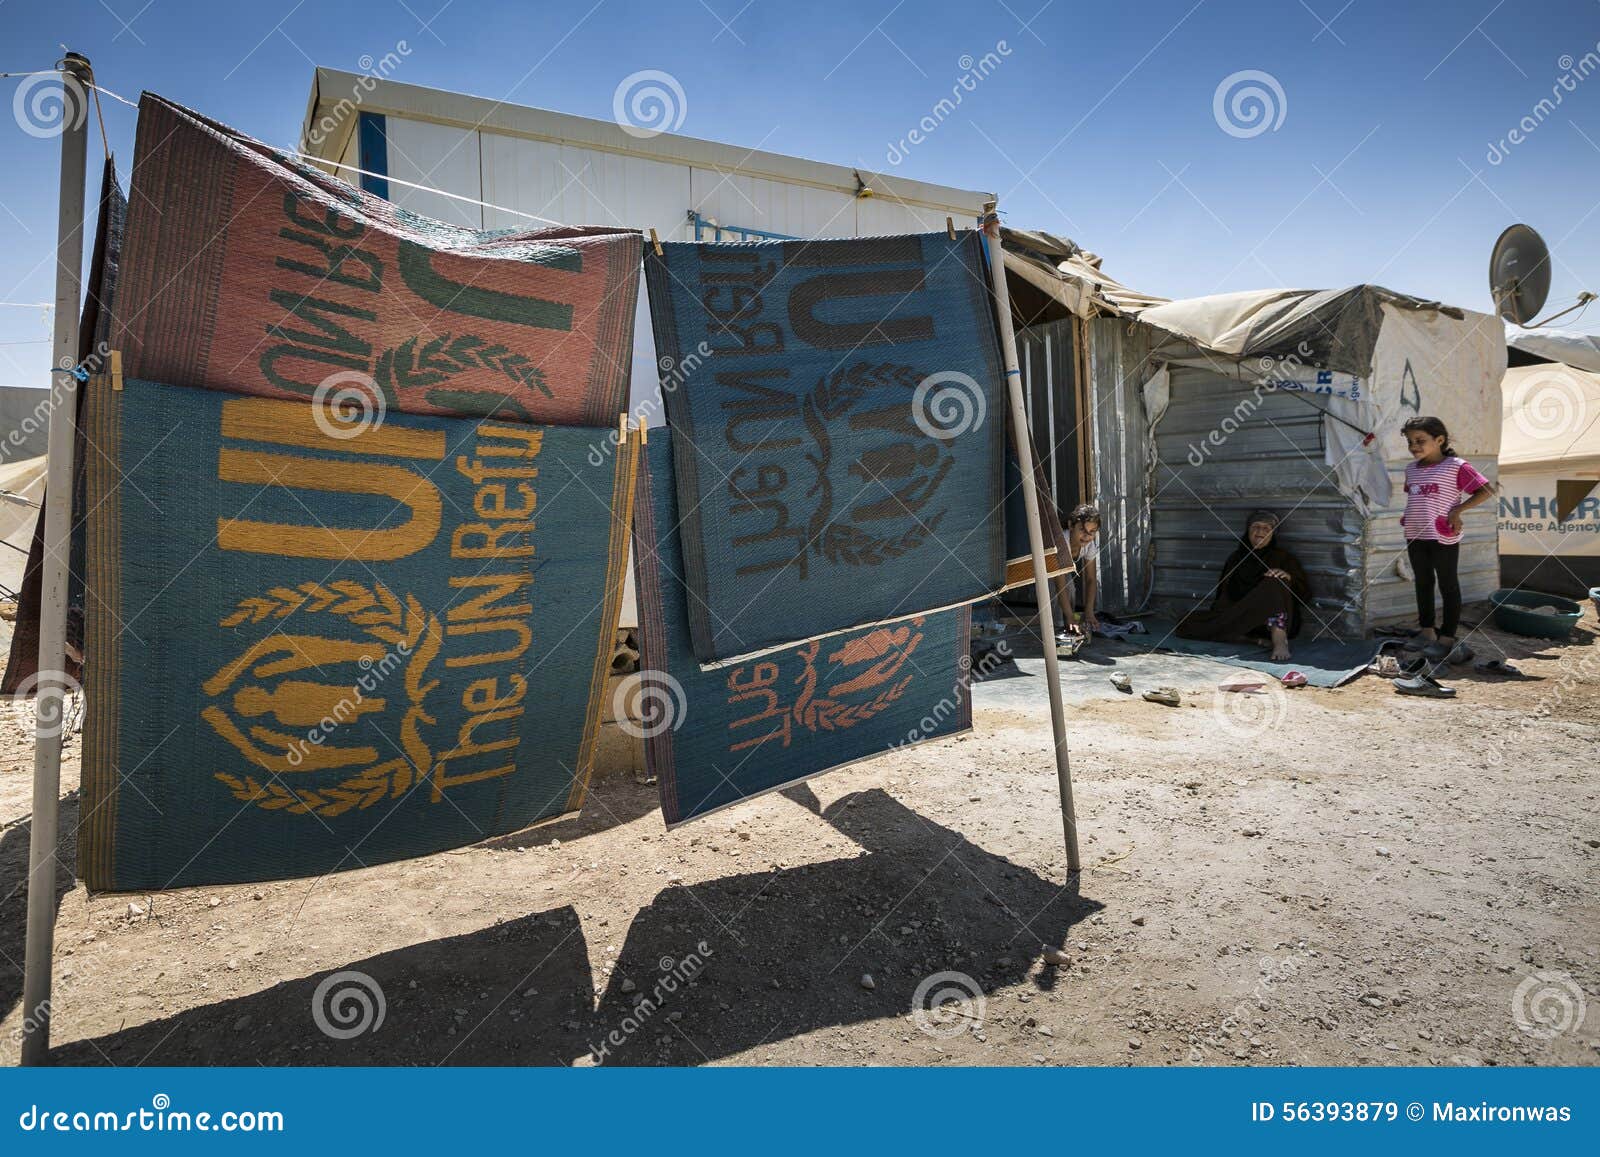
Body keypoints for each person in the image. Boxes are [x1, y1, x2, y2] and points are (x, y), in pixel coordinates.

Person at [1400, 415, 1492, 661]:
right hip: (1414, 532)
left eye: (1420, 440)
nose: (1414, 447)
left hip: (1442, 535)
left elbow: (1485, 491)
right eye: (1410, 442)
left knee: (1448, 584)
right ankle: (1427, 632)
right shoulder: (1411, 469)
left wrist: (1457, 510)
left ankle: (1447, 638)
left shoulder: (1455, 466)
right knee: (1423, 581)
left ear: (1439, 439)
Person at [1177, 510, 1310, 662]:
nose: (1260, 532)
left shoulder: (1283, 558)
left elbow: (1304, 594)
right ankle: (1250, 639)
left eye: (1267, 528)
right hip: (1242, 618)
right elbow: (1224, 594)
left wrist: (1288, 577)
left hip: (1270, 623)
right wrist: (1221, 616)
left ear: (1273, 534)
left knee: (1275, 581)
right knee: (1186, 623)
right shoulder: (1236, 558)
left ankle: (1279, 641)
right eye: (1256, 527)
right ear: (1248, 531)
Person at [1055, 503, 1101, 649]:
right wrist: (1069, 616)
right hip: (1040, 572)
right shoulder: (1062, 542)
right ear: (1071, 525)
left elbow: (1091, 579)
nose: (1087, 536)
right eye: (1082, 529)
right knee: (1068, 589)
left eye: (1092, 531)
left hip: (1061, 575)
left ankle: (1069, 624)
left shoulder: (1089, 545)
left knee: (1071, 591)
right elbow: (1060, 585)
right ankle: (1058, 627)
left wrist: (1089, 612)